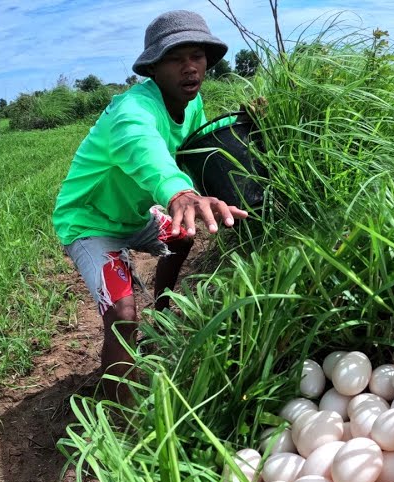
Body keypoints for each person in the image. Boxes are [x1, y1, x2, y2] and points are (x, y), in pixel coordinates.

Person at [52, 9, 248, 403]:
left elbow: (196, 150)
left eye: (197, 56)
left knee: (182, 232)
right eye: (176, 58)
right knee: (122, 317)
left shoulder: (191, 103)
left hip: (136, 215)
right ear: (154, 68)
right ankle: (117, 415)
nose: (190, 68)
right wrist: (180, 193)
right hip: (90, 222)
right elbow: (147, 154)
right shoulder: (131, 112)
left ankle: (160, 314)